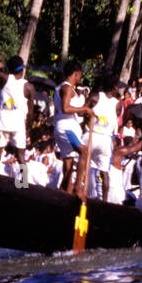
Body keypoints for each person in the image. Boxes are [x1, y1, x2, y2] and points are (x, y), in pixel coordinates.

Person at [0, 54, 36, 178]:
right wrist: (29, 129)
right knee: (21, 156)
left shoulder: (4, 78)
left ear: (9, 68)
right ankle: (22, 184)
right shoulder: (29, 87)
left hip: (3, 122)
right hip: (18, 124)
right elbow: (30, 112)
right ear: (22, 69)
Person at [53, 61, 93, 193]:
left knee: (68, 165)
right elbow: (65, 108)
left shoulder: (60, 88)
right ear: (76, 74)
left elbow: (68, 109)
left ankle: (65, 191)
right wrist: (84, 108)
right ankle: (77, 187)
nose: (80, 78)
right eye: (80, 75)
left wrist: (85, 110)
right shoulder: (67, 87)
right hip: (66, 128)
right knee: (84, 151)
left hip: (62, 127)